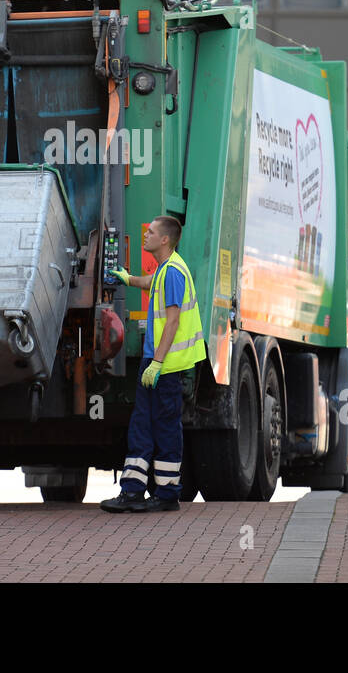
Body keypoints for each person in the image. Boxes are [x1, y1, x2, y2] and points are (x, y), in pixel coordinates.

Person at [99, 215, 206, 513]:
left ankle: (168, 494)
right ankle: (133, 491)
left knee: (164, 427)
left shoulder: (173, 272)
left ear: (165, 240)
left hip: (166, 367)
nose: (145, 235)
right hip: (157, 363)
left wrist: (157, 363)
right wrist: (128, 278)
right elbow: (151, 283)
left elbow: (173, 321)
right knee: (143, 425)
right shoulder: (165, 269)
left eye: (151, 232)